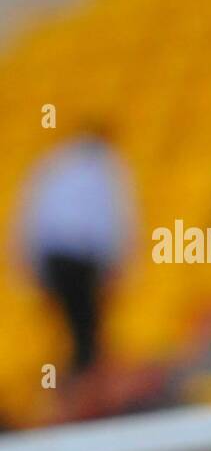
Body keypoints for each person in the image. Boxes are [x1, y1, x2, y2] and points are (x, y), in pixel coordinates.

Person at [22, 122, 134, 376]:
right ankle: (86, 377)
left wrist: (33, 266)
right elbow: (117, 218)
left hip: (55, 256)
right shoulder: (107, 166)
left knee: (75, 327)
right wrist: (120, 265)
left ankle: (79, 376)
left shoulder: (53, 162)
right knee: (85, 329)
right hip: (83, 256)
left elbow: (31, 216)